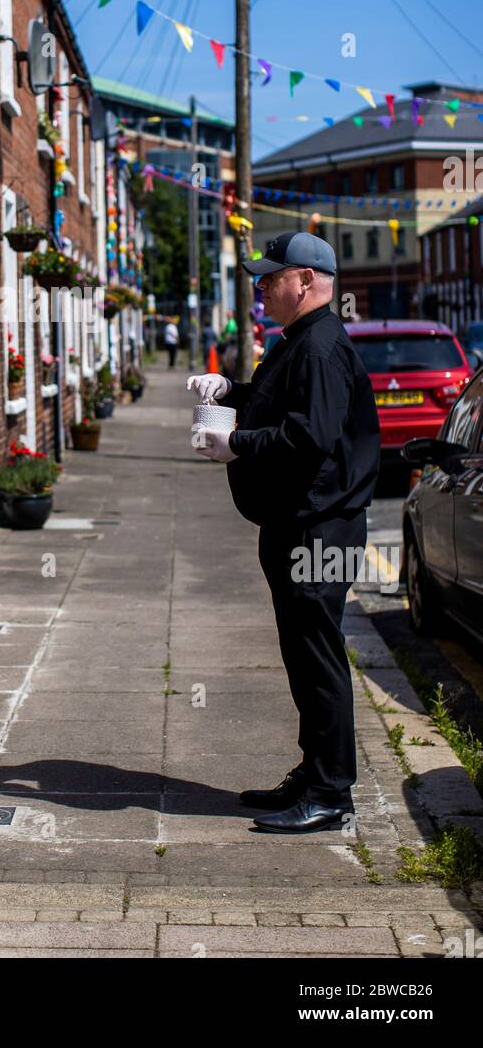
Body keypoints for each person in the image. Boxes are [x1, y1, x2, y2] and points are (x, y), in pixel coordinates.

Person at [188, 232, 380, 834]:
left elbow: (309, 438)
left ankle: (330, 792)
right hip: (298, 527)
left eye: (271, 277)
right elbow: (280, 406)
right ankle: (314, 770)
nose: (262, 287)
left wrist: (235, 443)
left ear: (306, 281)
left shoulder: (320, 348)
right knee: (302, 655)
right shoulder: (301, 341)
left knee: (317, 657)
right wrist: (232, 392)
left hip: (319, 531)